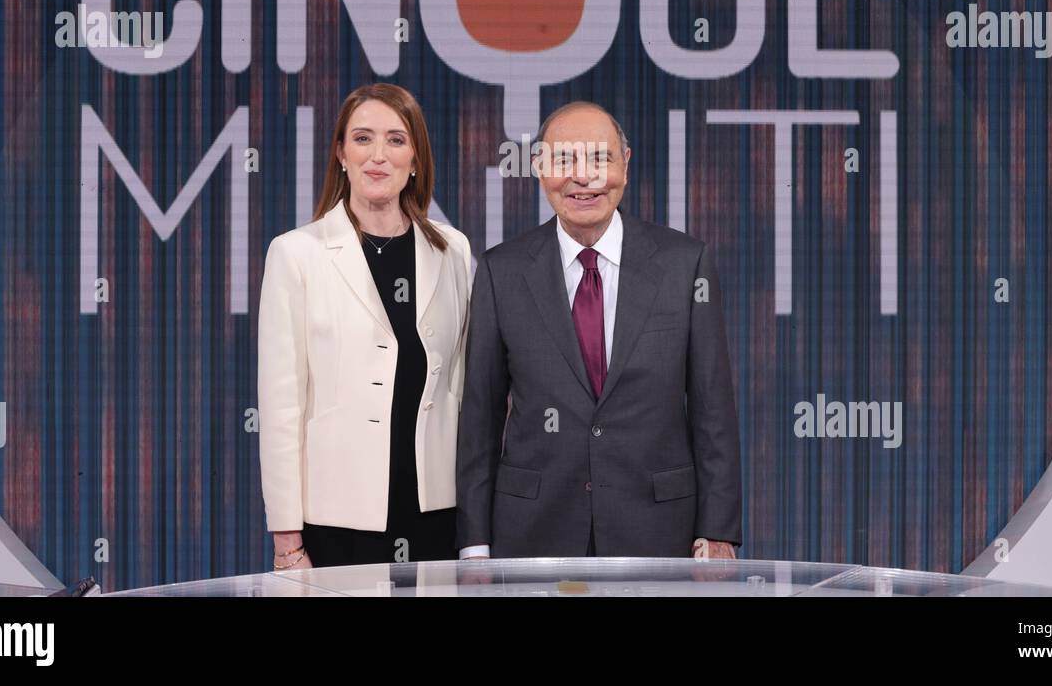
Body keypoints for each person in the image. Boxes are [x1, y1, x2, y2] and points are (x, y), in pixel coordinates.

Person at [456, 101, 741, 559]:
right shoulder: (500, 271)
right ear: (539, 168)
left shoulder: (684, 264)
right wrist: (473, 543)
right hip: (534, 532)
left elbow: (714, 411)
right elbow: (479, 420)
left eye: (599, 159)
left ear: (625, 166)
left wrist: (718, 530)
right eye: (564, 159)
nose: (583, 177)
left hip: (658, 530)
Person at [258, 83, 472, 569]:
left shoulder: (452, 250)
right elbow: (281, 407)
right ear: (340, 153)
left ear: (415, 157)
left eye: (396, 140)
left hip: (434, 510)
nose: (379, 155)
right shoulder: (297, 254)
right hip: (336, 517)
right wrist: (288, 542)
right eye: (362, 138)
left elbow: (462, 382)